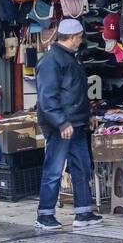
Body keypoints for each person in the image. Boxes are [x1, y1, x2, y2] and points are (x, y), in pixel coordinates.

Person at [34, 18, 99, 231]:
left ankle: (83, 212)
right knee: (54, 169)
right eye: (79, 37)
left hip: (75, 122)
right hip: (61, 125)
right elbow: (48, 97)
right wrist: (61, 122)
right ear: (71, 37)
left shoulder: (68, 58)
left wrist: (87, 115)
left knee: (82, 167)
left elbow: (75, 92)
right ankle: (45, 215)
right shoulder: (51, 61)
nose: (81, 41)